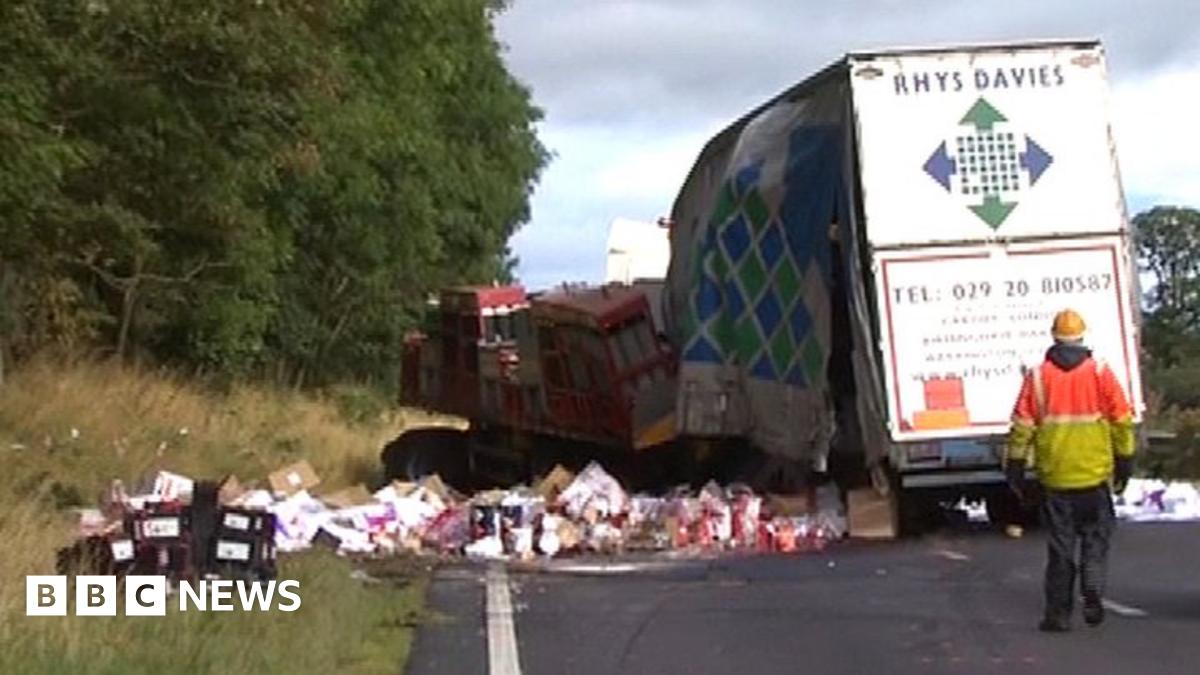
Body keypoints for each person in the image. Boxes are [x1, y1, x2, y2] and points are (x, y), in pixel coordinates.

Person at [1005, 308, 1135, 632]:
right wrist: (1125, 461)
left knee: (1060, 547)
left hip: (1056, 478)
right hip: (1093, 476)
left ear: (1054, 336)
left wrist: (1016, 466)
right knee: (1096, 537)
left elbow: (1022, 426)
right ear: (1081, 336)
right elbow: (1122, 420)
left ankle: (1058, 615)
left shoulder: (1038, 377)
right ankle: (1093, 581)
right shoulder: (1100, 373)